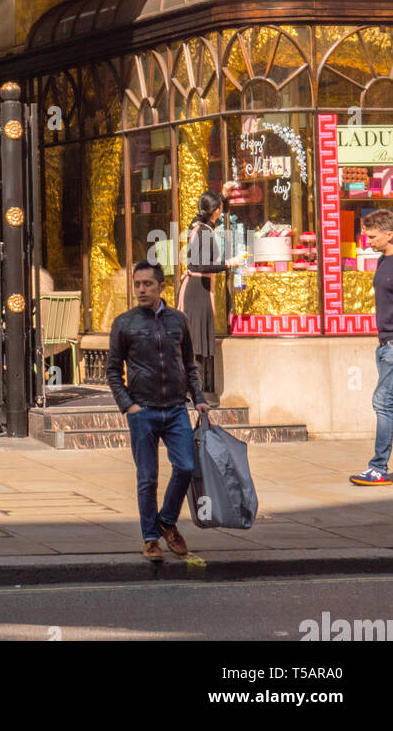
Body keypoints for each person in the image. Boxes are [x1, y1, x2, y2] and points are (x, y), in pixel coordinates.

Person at [107, 260, 210, 562]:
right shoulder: (124, 323)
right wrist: (130, 407)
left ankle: (166, 520)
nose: (140, 289)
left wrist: (198, 397)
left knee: (187, 467)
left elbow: (189, 365)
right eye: (137, 284)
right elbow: (113, 371)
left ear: (161, 287)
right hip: (144, 412)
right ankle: (151, 538)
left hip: (176, 409)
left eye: (147, 284)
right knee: (147, 477)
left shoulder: (178, 320)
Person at [180, 182, 245, 396]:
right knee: (196, 343)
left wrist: (222, 196)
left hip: (197, 288)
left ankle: (193, 392)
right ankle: (194, 393)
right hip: (198, 290)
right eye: (220, 207)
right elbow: (201, 265)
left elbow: (206, 212)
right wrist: (229, 263)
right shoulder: (205, 231)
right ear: (216, 211)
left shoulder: (197, 224)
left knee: (194, 341)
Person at [350, 209, 393, 485]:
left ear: (390, 234)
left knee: (383, 403)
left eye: (373, 236)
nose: (368, 241)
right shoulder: (381, 262)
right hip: (384, 343)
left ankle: (378, 466)